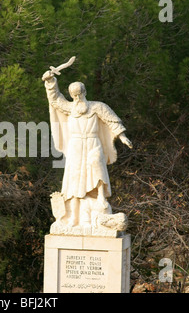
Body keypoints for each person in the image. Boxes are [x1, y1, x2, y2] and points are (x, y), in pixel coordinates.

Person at [42, 70, 132, 227]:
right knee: (75, 178)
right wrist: (50, 82)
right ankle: (73, 215)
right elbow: (55, 99)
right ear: (71, 95)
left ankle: (101, 197)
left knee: (97, 163)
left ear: (84, 92)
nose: (77, 98)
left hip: (92, 142)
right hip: (75, 146)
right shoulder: (70, 108)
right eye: (74, 95)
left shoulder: (97, 107)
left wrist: (122, 136)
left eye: (79, 94)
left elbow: (112, 120)